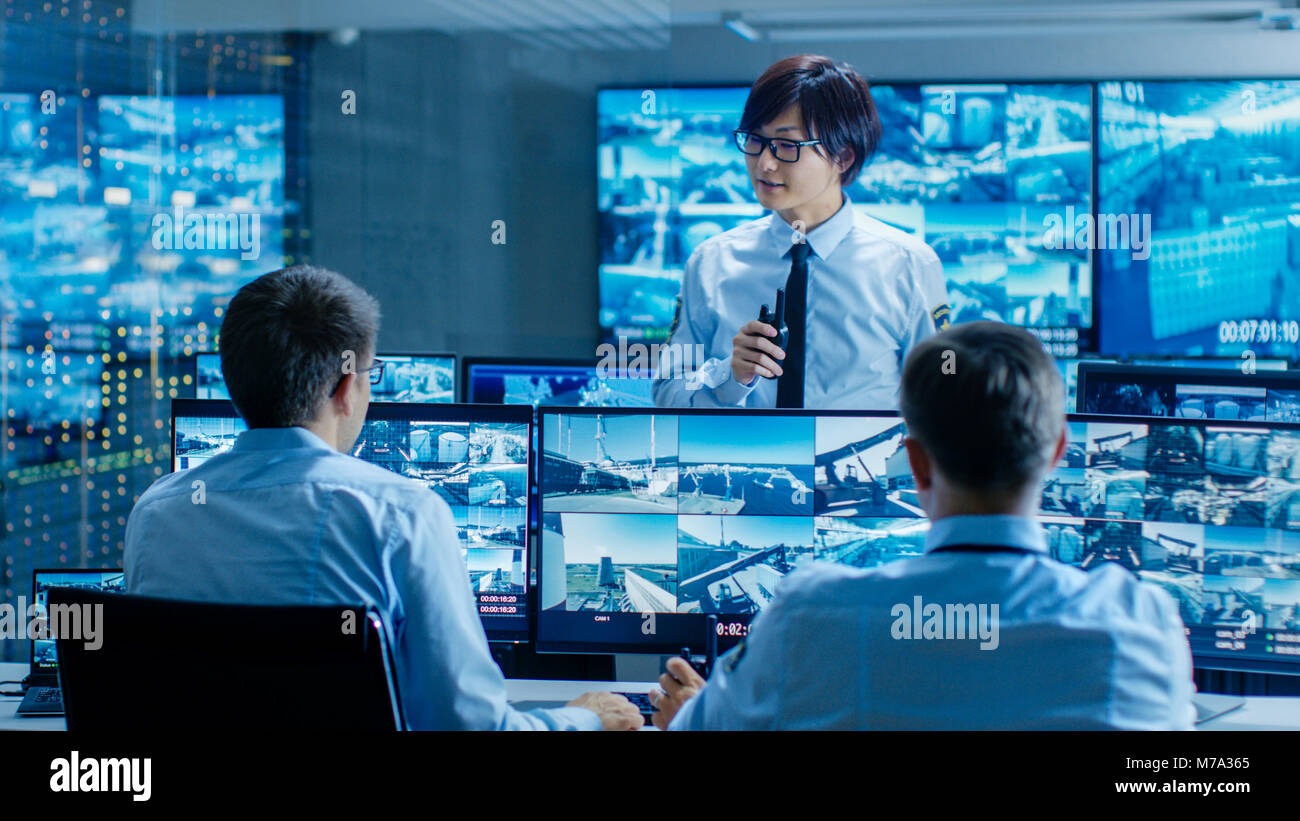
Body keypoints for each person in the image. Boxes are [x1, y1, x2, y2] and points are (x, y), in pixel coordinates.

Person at [124, 265, 640, 731]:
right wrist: (583, 718)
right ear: (347, 388)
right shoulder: (402, 515)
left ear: (234, 384)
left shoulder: (155, 515)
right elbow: (470, 730)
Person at [650, 321, 1195, 729]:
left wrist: (691, 715)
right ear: (1055, 453)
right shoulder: (1143, 626)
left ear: (914, 463)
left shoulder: (812, 617)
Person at [653, 54, 949, 410]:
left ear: (843, 157)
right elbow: (666, 394)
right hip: (737, 463)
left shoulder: (909, 263)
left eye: (787, 145)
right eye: (754, 139)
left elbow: (944, 395)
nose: (764, 162)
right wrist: (730, 376)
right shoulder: (711, 262)